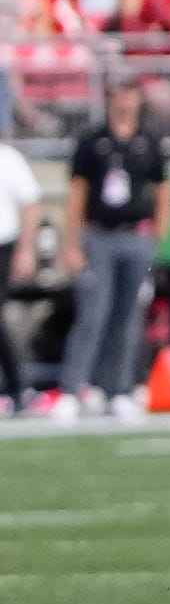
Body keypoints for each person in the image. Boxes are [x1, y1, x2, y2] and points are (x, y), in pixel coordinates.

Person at [63, 80, 170, 411]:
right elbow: (77, 195)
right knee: (93, 312)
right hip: (100, 235)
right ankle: (74, 387)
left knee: (129, 316)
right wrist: (72, 243)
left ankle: (118, 389)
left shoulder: (148, 142)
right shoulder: (93, 142)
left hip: (136, 235)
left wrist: (158, 235)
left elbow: (162, 192)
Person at [0, 134, 35, 411]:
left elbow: (30, 203)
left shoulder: (8, 158)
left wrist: (26, 248)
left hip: (2, 245)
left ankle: (17, 386)